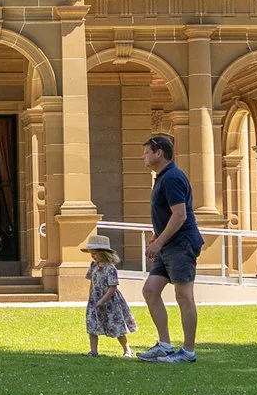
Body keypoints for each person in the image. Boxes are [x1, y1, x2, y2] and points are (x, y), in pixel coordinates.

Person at [137, 133, 202, 363]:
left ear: (159, 153)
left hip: (181, 244)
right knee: (150, 291)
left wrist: (159, 242)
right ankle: (164, 346)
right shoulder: (163, 178)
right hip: (168, 245)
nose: (144, 157)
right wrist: (157, 236)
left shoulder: (172, 177)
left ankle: (188, 351)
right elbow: (169, 215)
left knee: (184, 296)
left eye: (147, 152)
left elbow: (180, 214)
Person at [78, 230, 135, 357]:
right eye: (91, 254)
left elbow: (113, 287)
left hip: (110, 301)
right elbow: (92, 282)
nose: (93, 256)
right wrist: (91, 298)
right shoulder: (93, 266)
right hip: (95, 300)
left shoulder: (110, 268)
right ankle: (93, 351)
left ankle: (127, 350)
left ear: (104, 253)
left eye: (95, 254)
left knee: (116, 326)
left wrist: (102, 301)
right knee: (92, 325)